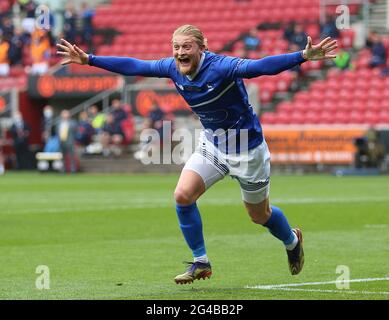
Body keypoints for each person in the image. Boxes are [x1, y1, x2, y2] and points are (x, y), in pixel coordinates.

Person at [57, 25, 337, 284]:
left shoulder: (222, 67)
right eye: (176, 47)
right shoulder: (172, 68)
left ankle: (291, 241)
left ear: (202, 47)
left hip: (247, 150)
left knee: (259, 215)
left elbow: (258, 67)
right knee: (182, 195)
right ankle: (201, 261)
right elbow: (135, 65)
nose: (180, 52)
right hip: (213, 145)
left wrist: (302, 56)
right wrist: (90, 59)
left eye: (187, 46)